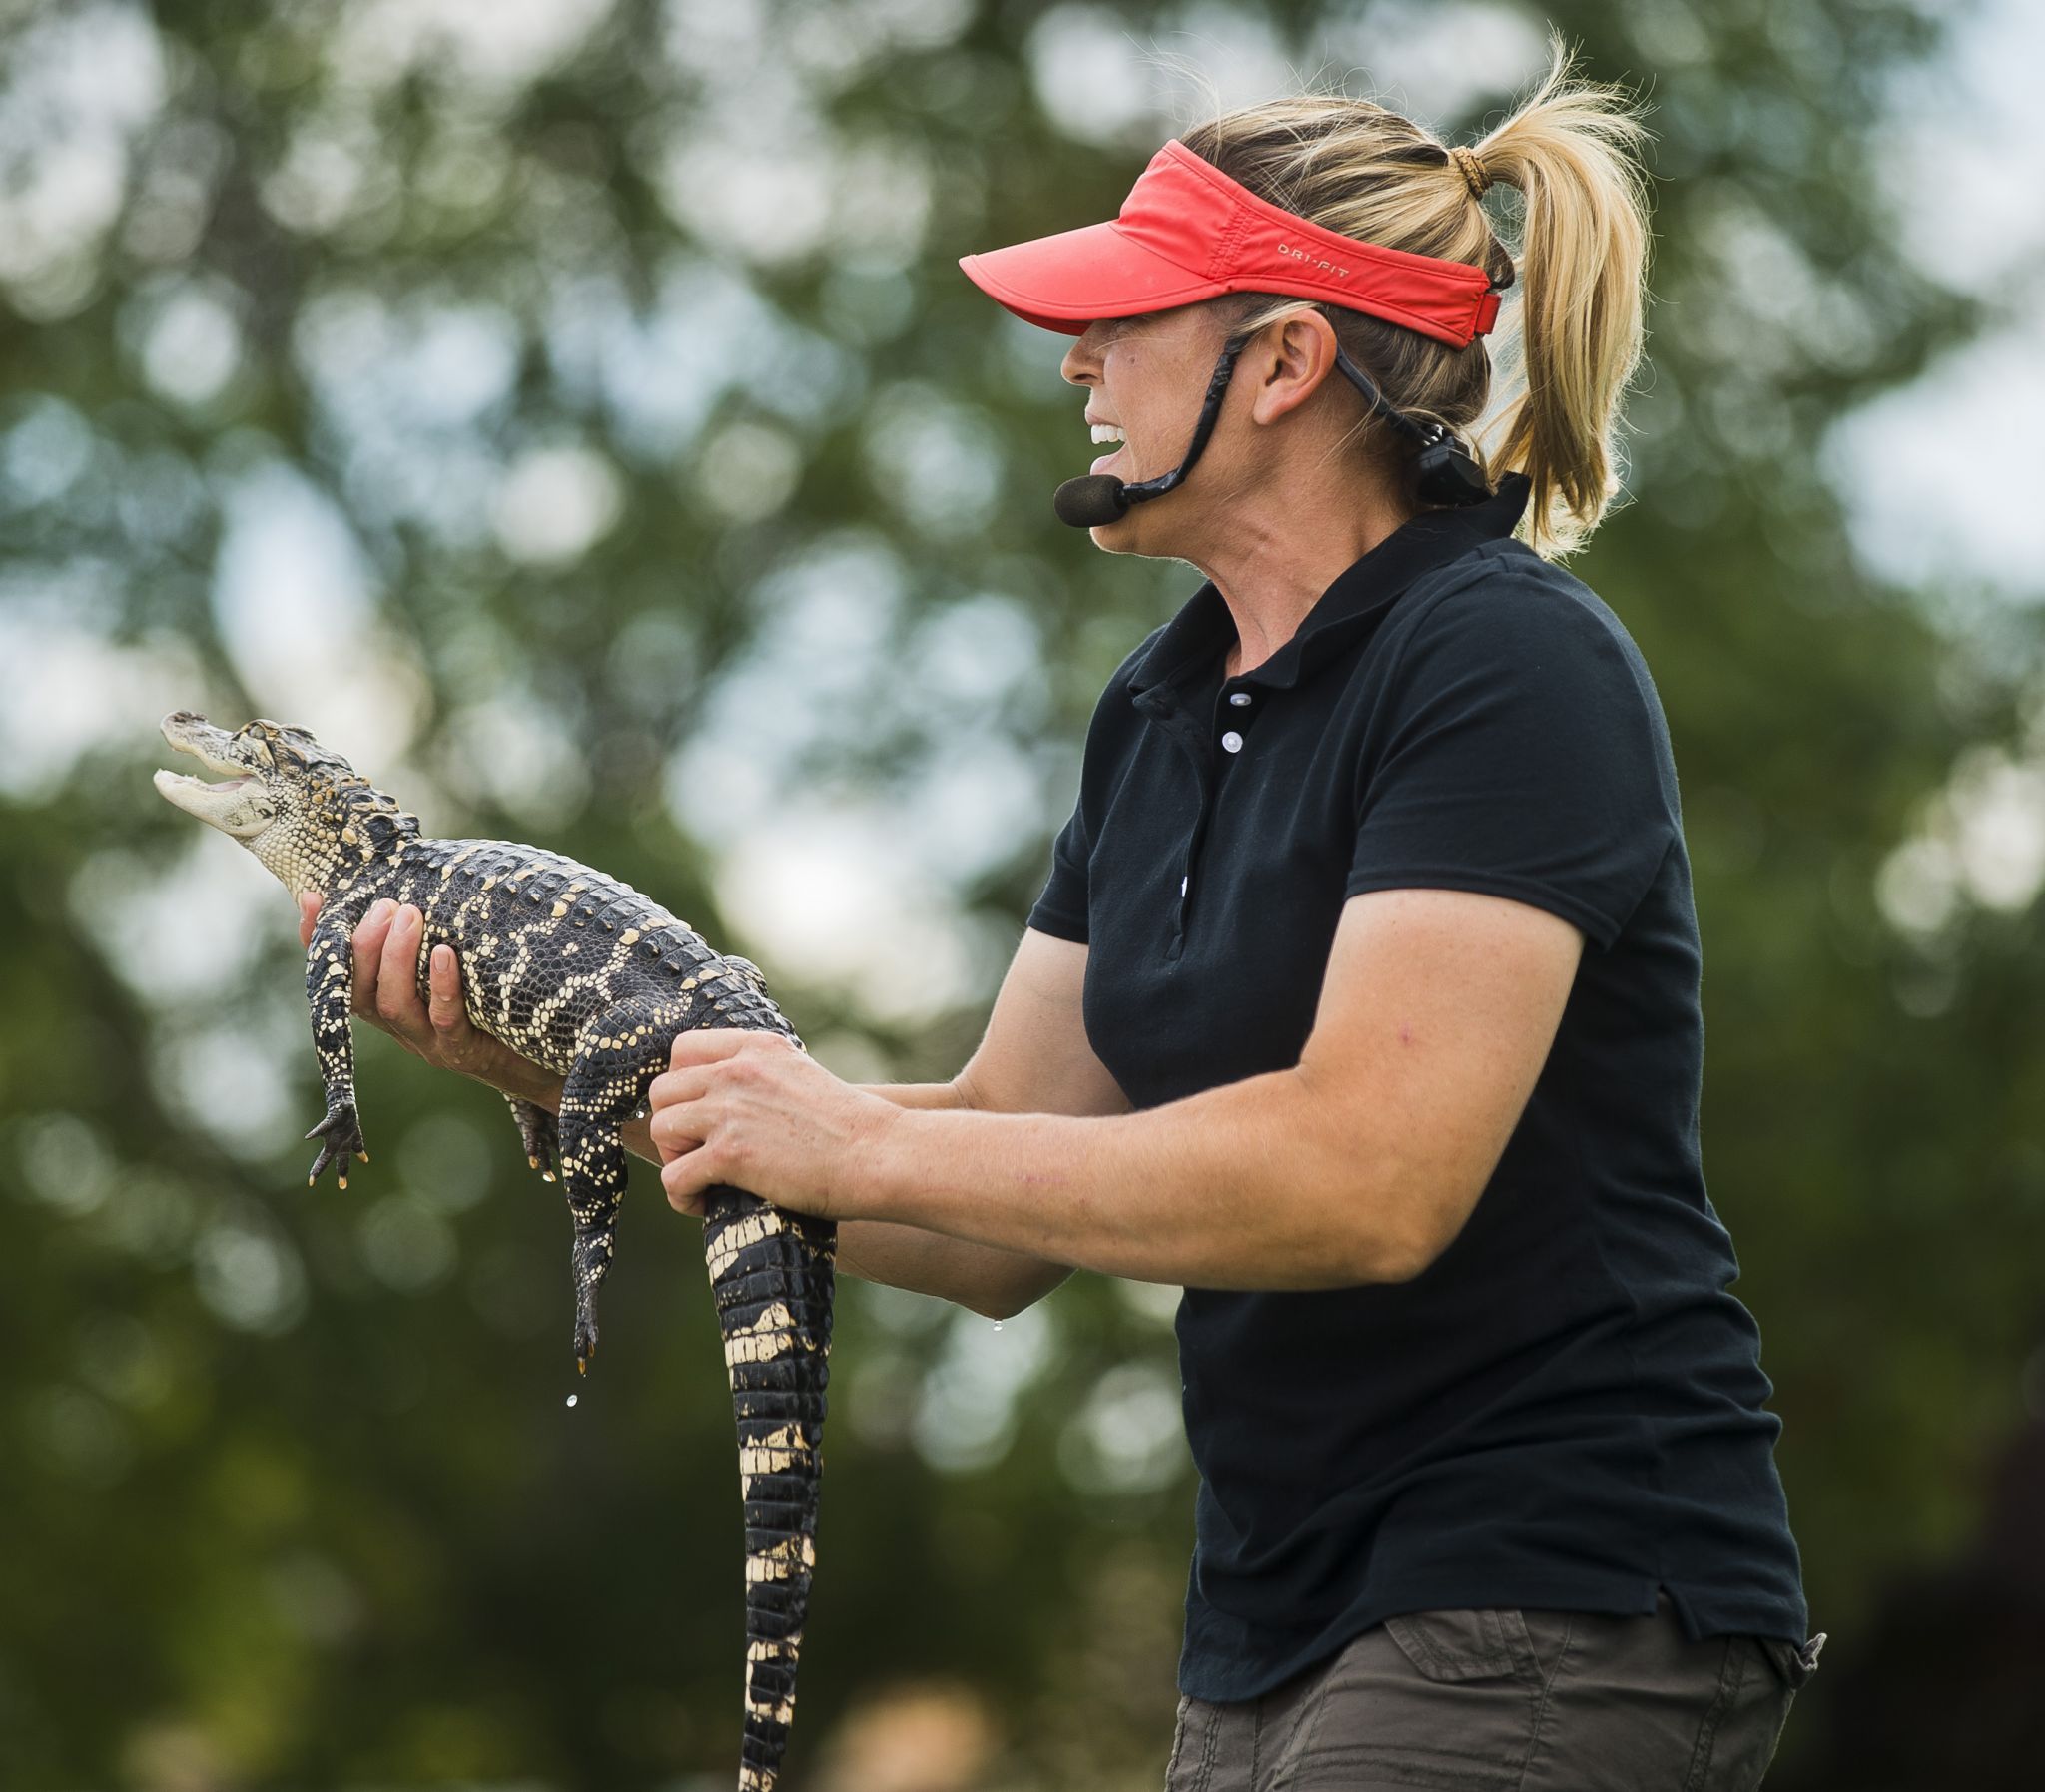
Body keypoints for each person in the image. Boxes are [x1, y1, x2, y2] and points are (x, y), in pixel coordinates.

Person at [309, 40, 1827, 1791]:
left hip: (1553, 1598)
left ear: (1282, 362)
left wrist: (849, 1147)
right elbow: (992, 1207)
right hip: (1267, 1632)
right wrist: (558, 1060)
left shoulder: (1500, 663)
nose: (1077, 359)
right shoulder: (1163, 707)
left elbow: (1370, 1177)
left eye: (1126, 317)